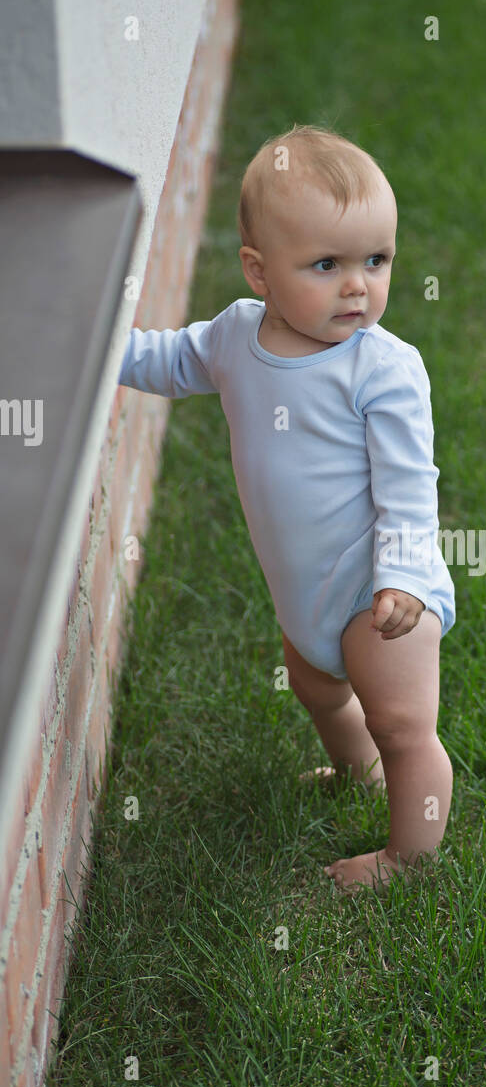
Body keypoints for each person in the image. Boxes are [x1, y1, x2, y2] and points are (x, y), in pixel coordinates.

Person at [119, 124, 455, 893]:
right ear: (259, 271)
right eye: (327, 265)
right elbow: (169, 360)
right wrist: (104, 348)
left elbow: (409, 484)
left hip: (380, 591)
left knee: (403, 723)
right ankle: (353, 771)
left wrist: (401, 577)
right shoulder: (238, 335)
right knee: (317, 688)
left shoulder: (386, 369)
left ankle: (410, 857)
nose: (358, 286)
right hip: (303, 591)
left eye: (378, 261)